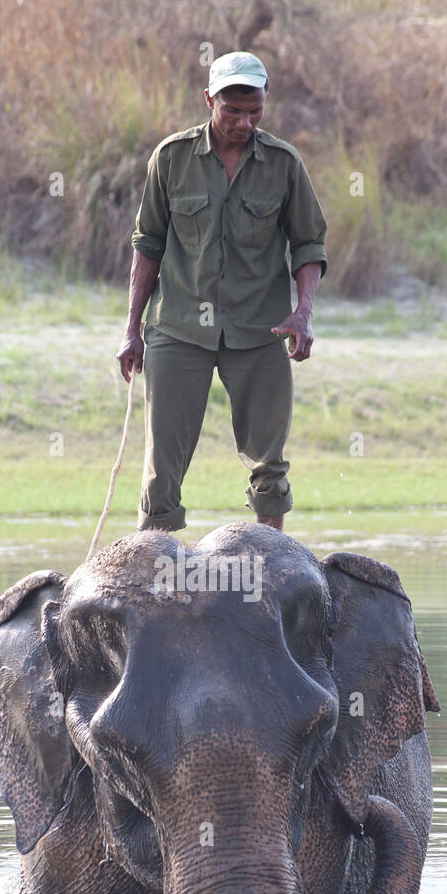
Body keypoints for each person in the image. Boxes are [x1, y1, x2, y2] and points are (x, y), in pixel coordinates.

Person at [117, 50, 327, 533]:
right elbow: (147, 243)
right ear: (209, 99)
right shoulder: (170, 159)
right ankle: (155, 575)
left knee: (269, 464)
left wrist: (304, 313)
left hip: (259, 328)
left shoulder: (284, 164)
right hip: (178, 327)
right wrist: (132, 330)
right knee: (161, 471)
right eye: (232, 110)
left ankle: (274, 570)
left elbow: (309, 242)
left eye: (255, 111)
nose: (244, 122)